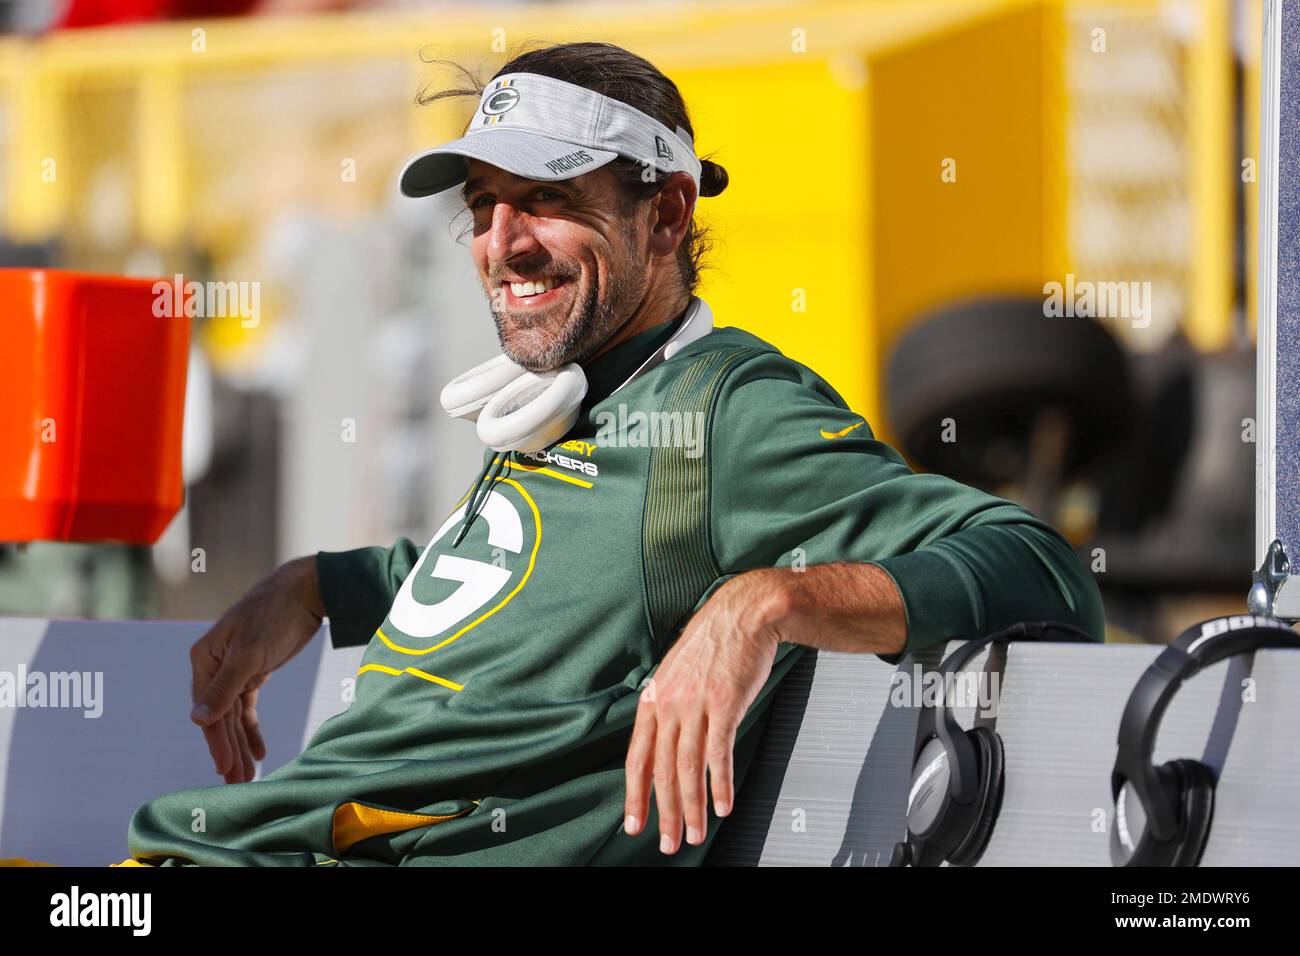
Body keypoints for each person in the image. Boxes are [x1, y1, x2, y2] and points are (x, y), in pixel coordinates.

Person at [120, 41, 1105, 866]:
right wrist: (318, 588)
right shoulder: (571, 394)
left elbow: (1044, 573)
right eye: (480, 204)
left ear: (666, 213)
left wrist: (761, 603)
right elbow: (543, 581)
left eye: (543, 198)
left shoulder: (725, 411)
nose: (499, 243)